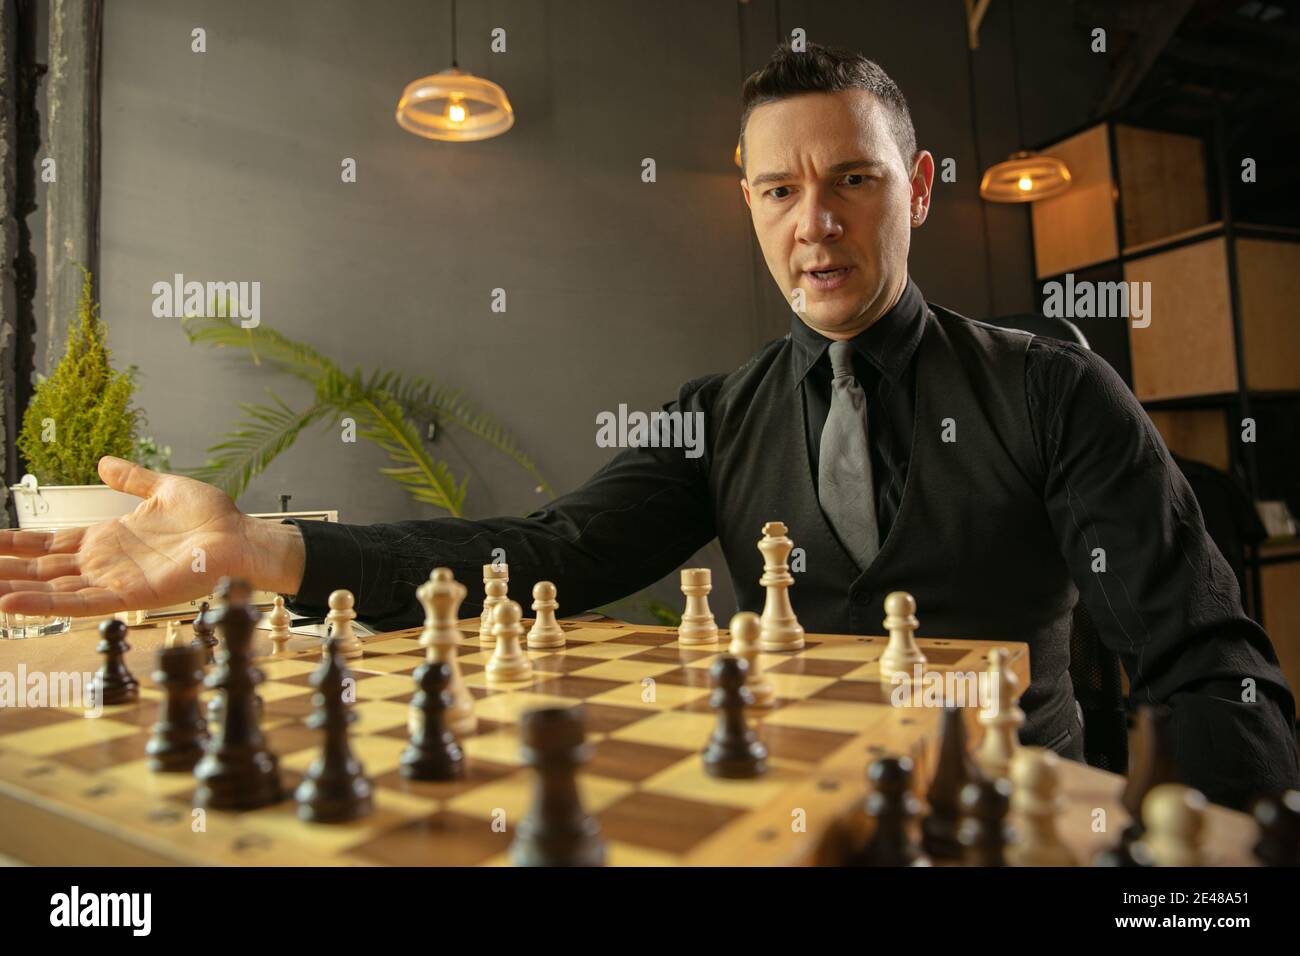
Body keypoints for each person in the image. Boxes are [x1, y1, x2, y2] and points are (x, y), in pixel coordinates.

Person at [1, 43, 1295, 810]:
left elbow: (1206, 663)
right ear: (746, 203)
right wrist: (264, 550)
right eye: (781, 189)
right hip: (798, 821)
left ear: (921, 189)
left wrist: (1194, 854)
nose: (817, 223)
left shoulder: (1053, 389)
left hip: (1010, 821)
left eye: (853, 179)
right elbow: (544, 551)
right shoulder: (716, 420)